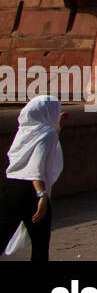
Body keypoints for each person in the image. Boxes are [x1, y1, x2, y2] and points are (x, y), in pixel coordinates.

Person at [1, 95, 66, 262]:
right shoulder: (48, 133)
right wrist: (42, 196)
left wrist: (59, 126)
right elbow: (35, 167)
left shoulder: (25, 131)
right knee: (40, 244)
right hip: (31, 192)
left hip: (11, 190)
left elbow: (41, 145)